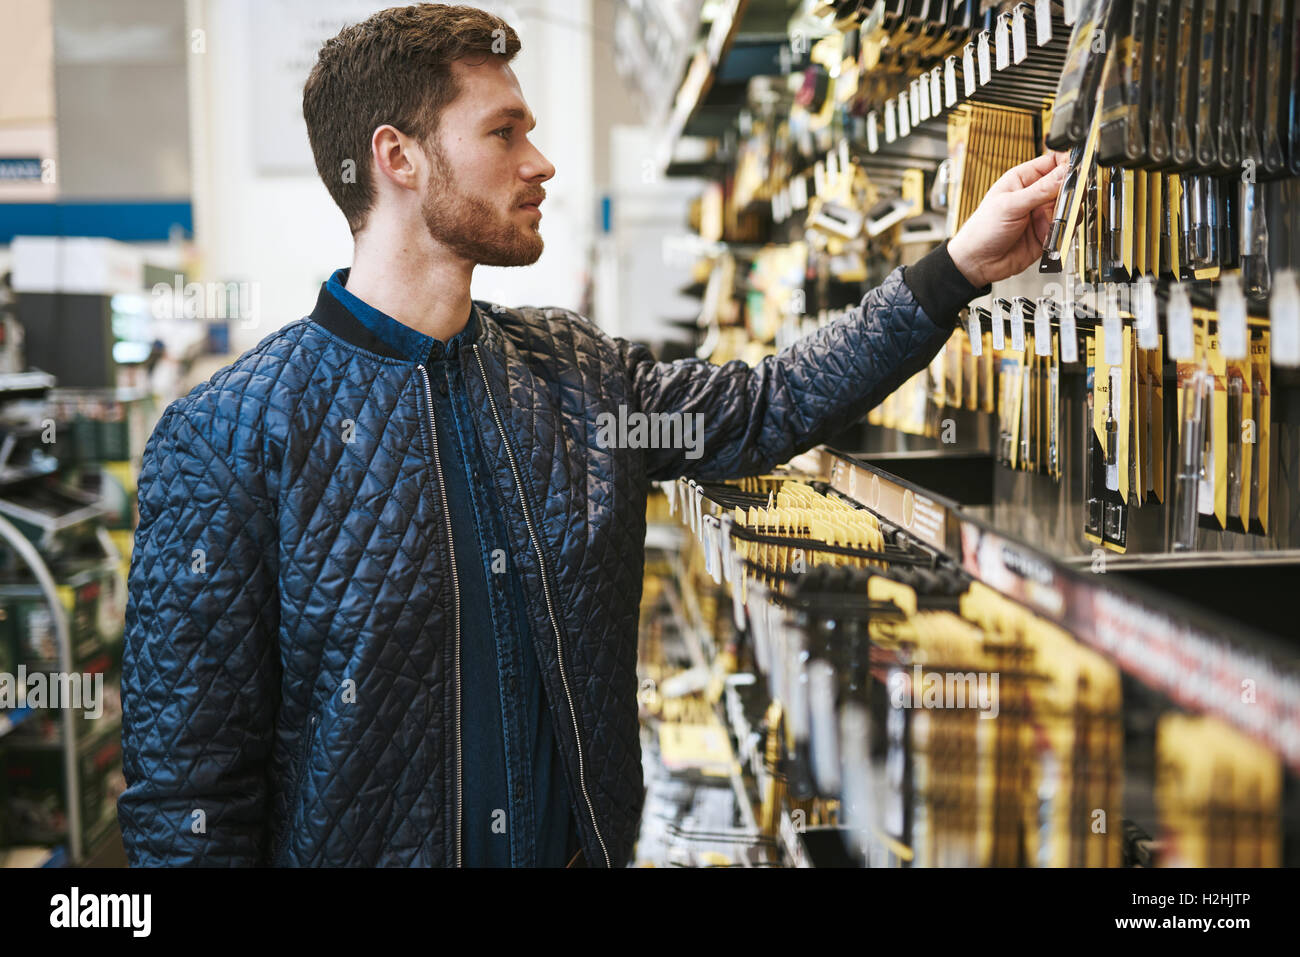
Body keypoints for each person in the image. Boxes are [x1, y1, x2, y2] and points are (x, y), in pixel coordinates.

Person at [117, 3, 1069, 868]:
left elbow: (770, 402)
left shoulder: (576, 377)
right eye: (504, 132)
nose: (541, 162)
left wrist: (955, 269)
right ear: (397, 159)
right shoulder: (226, 438)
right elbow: (186, 799)